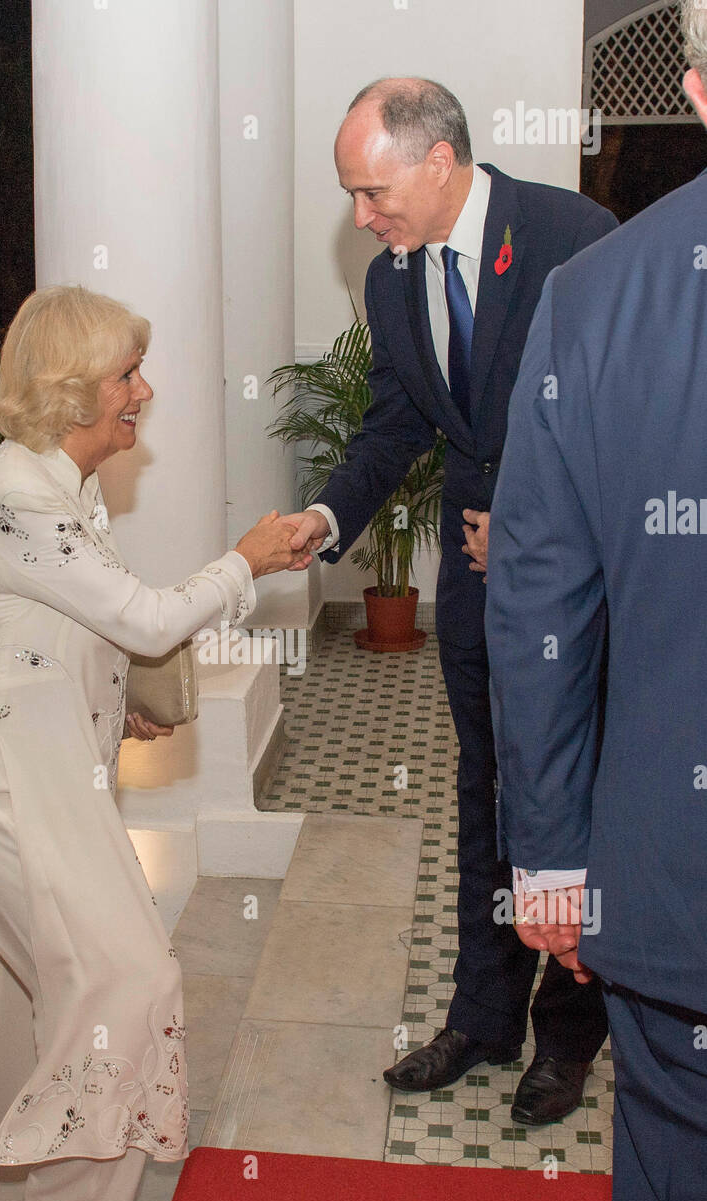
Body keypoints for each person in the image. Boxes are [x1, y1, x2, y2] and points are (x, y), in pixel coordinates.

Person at [0, 285, 307, 1201]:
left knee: (19, 986)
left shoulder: (62, 488)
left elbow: (61, 625)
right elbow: (143, 616)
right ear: (73, 389)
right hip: (5, 776)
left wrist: (112, 689)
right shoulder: (17, 494)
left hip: (34, 760)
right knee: (128, 972)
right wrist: (244, 560)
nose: (146, 390)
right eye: (127, 374)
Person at [281, 78, 618, 1122]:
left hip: (576, 593)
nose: (360, 216)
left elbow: (625, 421)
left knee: (566, 801)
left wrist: (529, 521)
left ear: (439, 160)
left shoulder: (575, 237)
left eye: (370, 190)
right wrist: (325, 519)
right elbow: (395, 425)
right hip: (473, 594)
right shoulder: (389, 282)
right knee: (486, 795)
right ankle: (483, 1014)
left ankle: (568, 1040)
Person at [485, 0, 707, 1201]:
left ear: (687, 86)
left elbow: (538, 611)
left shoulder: (593, 300)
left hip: (674, 901)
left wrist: (552, 863)